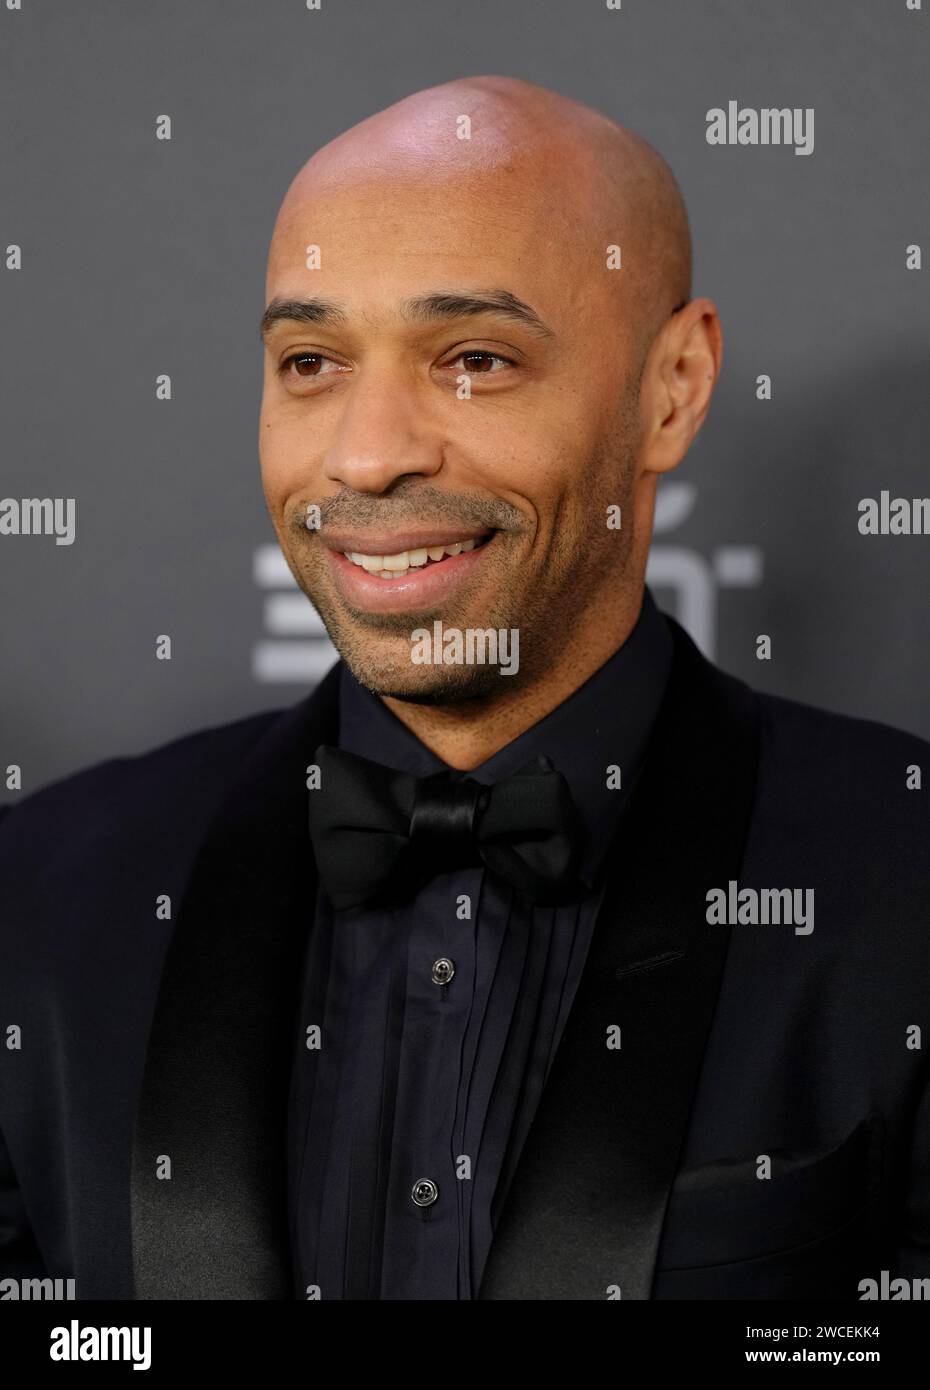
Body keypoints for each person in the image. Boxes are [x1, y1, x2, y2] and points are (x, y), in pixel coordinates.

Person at [1, 76, 927, 1302]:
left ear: (675, 388)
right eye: (312, 360)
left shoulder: (902, 885)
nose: (368, 452)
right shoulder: (44, 902)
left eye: (476, 358)